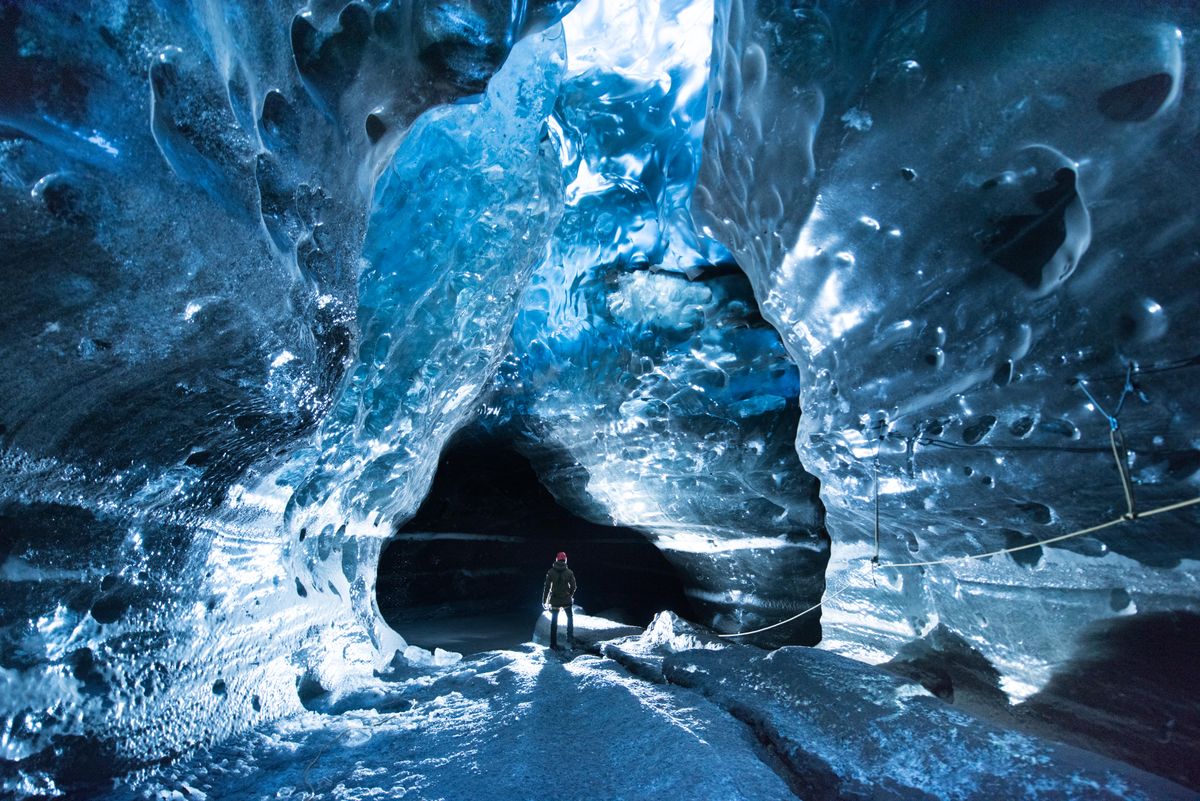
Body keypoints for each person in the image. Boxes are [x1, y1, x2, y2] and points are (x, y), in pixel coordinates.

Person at [542, 551, 576, 650]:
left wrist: (544, 601)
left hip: (555, 600)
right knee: (569, 618)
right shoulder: (569, 572)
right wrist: (569, 595)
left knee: (554, 622)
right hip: (566, 600)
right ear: (565, 560)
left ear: (556, 559)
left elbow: (547, 587)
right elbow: (573, 586)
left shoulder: (550, 572)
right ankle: (569, 637)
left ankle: (553, 644)